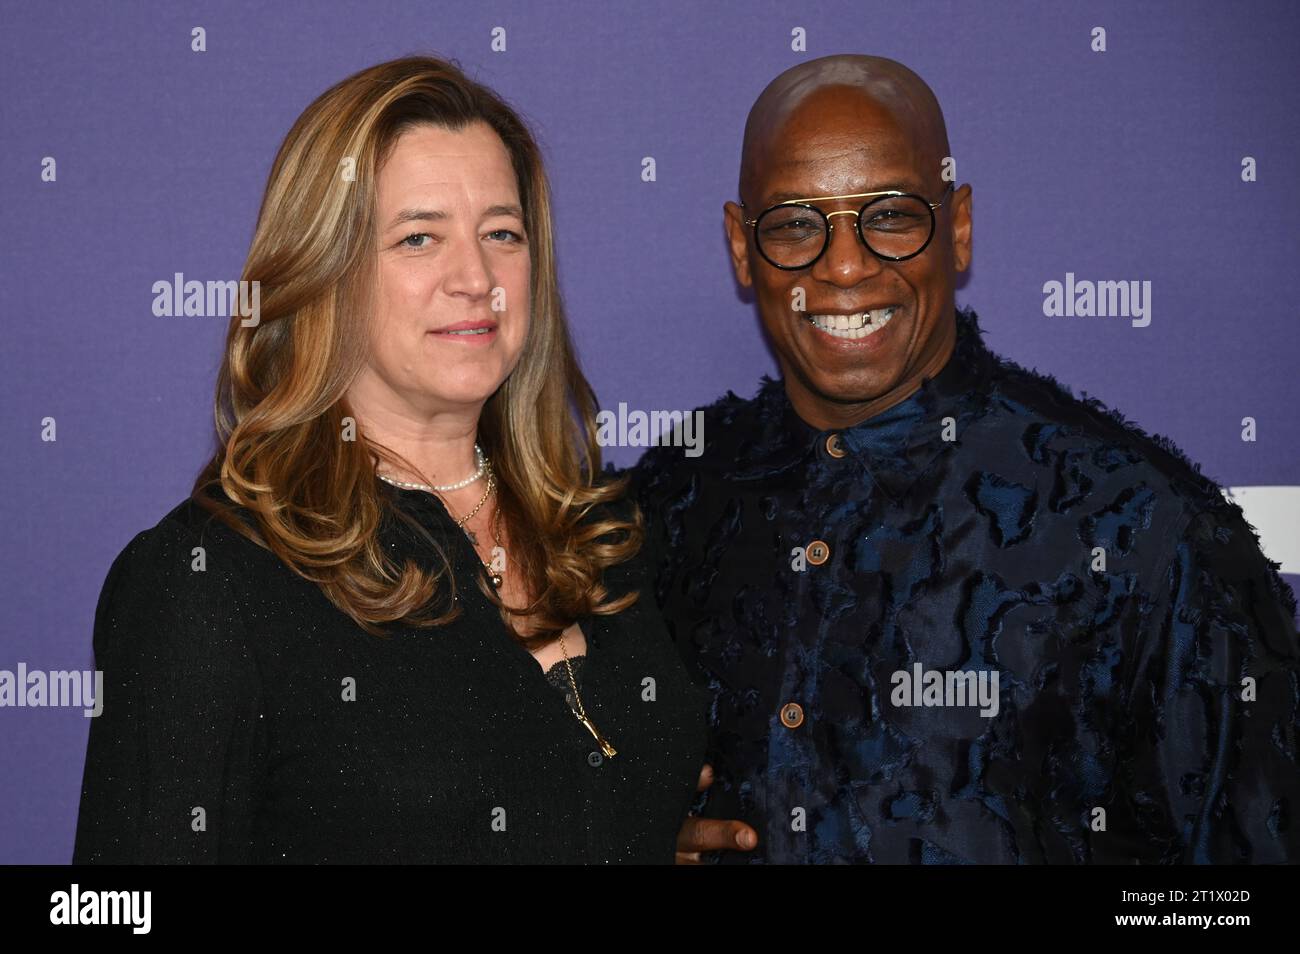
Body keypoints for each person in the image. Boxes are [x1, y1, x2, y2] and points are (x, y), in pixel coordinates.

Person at [638, 54, 1300, 864]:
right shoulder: (664, 506)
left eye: (889, 215)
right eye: (796, 224)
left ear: (958, 227)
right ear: (743, 249)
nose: (844, 265)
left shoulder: (1144, 527)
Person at [73, 54, 708, 864]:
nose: (475, 278)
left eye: (502, 233)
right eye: (418, 238)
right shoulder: (208, 580)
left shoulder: (604, 531)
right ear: (321, 272)